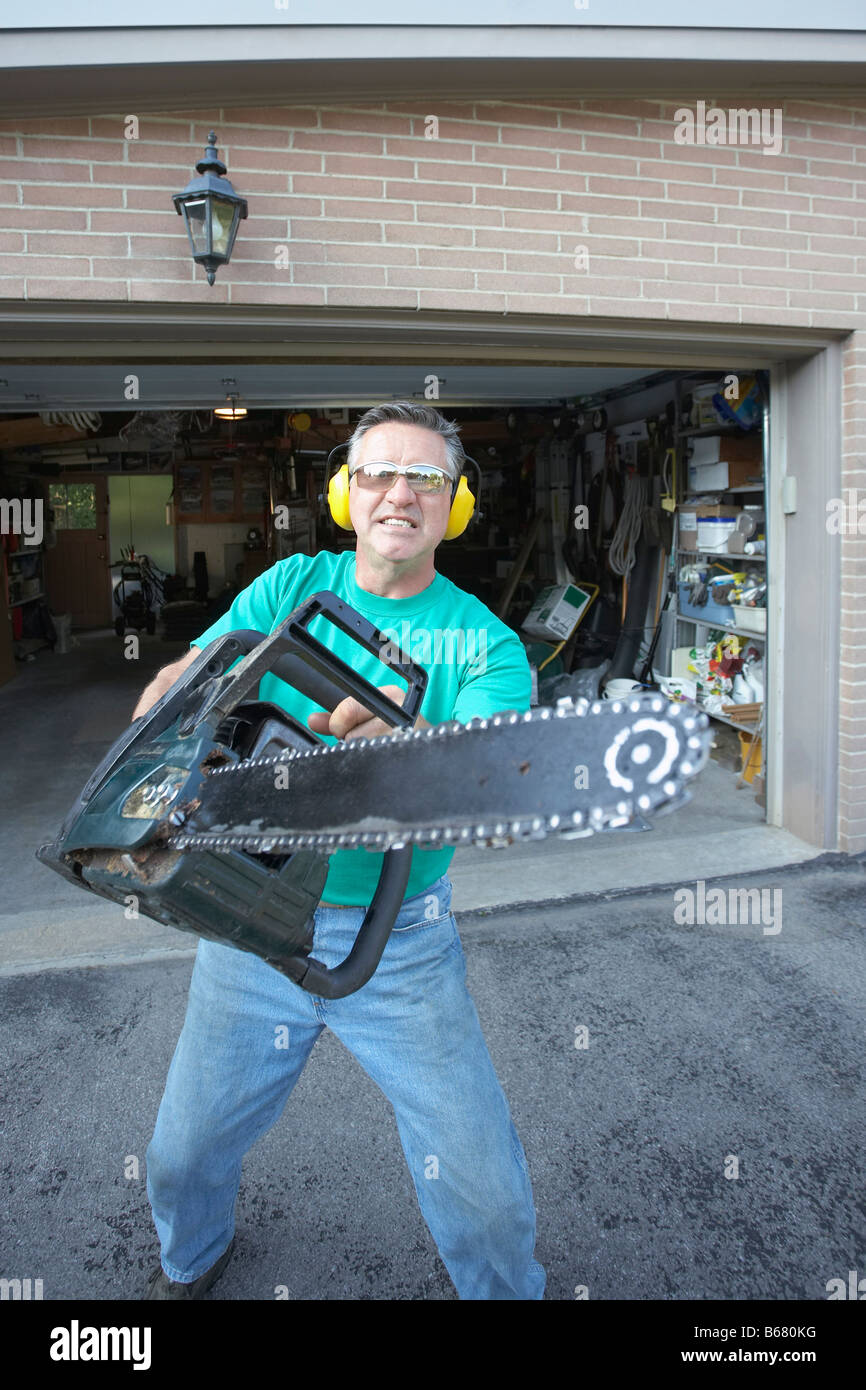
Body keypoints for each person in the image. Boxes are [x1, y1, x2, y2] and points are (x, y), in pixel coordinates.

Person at [136, 401, 546, 1300]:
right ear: (343, 493)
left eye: (426, 478)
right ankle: (190, 1262)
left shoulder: (487, 643)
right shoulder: (291, 589)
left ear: (456, 505)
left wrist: (394, 760)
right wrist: (168, 718)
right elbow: (197, 668)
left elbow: (487, 776)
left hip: (399, 941)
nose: (400, 493)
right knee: (178, 1154)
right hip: (252, 923)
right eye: (378, 474)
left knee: (483, 1194)